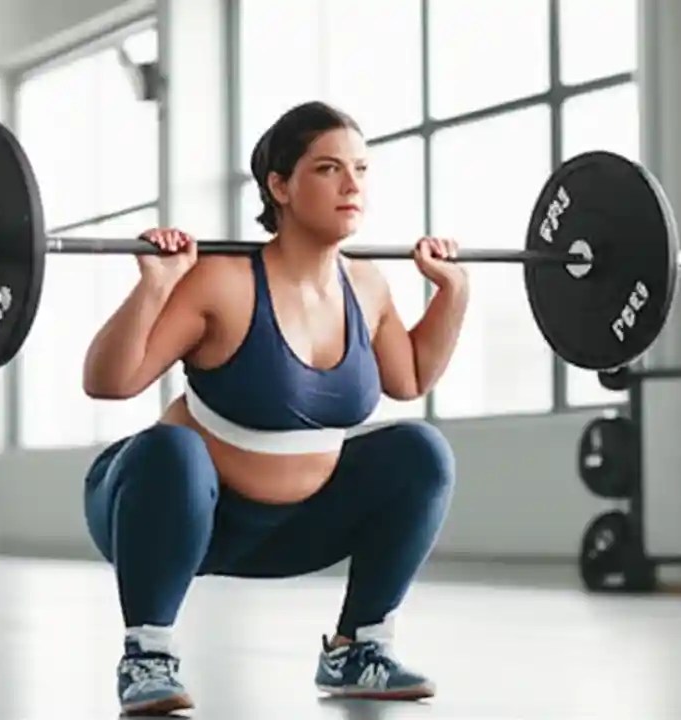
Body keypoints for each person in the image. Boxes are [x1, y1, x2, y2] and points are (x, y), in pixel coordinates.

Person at [80, 100, 469, 715]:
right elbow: (110, 382)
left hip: (291, 530)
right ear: (279, 186)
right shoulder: (224, 280)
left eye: (361, 170)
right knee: (172, 448)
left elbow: (412, 376)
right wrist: (155, 285)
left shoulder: (366, 286)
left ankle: (357, 650)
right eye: (328, 169)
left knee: (421, 452)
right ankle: (146, 654)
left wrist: (452, 292)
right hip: (170, 519)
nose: (351, 186)